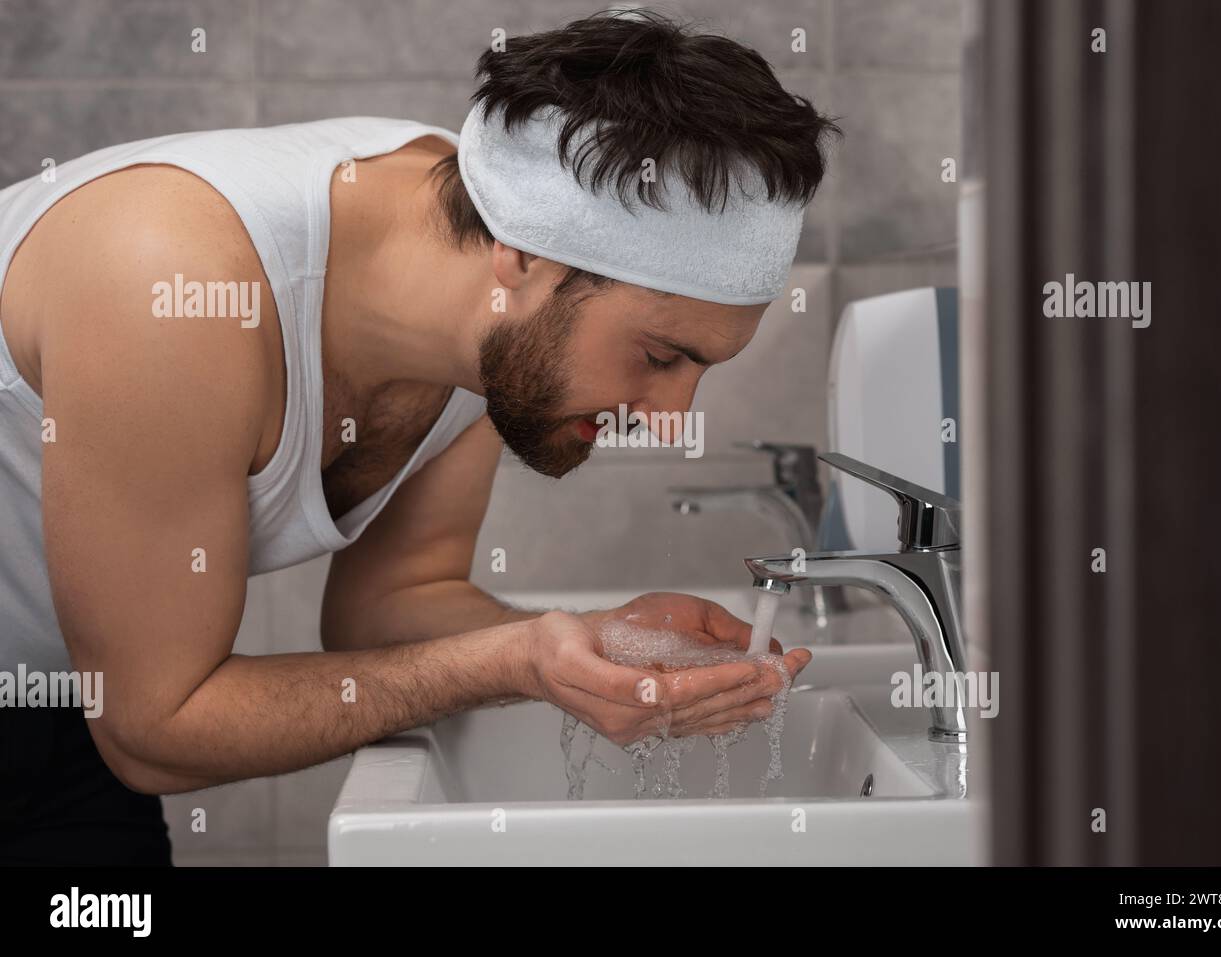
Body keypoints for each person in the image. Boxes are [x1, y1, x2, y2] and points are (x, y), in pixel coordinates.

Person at [0, 10, 838, 864]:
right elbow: (155, 729)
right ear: (523, 257)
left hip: (61, 715)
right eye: (661, 355)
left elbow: (389, 605)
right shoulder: (170, 288)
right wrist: (516, 662)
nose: (671, 418)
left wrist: (591, 642)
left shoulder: (484, 303)